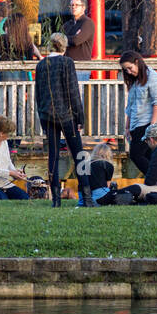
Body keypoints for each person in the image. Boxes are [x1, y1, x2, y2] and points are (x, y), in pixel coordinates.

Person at [33, 32, 95, 207]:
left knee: (52, 156)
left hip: (47, 115)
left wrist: (42, 117)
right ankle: (87, 197)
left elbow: (38, 94)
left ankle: (56, 200)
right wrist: (80, 116)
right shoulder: (67, 63)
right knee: (80, 155)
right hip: (66, 115)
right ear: (64, 46)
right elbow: (73, 92)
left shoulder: (41, 65)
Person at [119, 50, 157, 174]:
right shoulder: (135, 81)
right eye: (125, 70)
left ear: (137, 62)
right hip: (135, 124)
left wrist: (152, 126)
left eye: (130, 68)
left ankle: (155, 180)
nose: (128, 72)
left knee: (136, 155)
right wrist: (127, 126)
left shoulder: (152, 77)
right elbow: (130, 106)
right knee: (150, 156)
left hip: (147, 123)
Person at [0, 11, 39, 81]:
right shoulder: (27, 41)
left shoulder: (3, 38)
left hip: (5, 78)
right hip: (23, 79)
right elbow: (29, 60)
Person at [63, 0, 94, 83]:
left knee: (79, 94)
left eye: (77, 5)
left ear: (83, 8)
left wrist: (67, 39)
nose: (74, 7)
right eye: (72, 5)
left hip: (81, 66)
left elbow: (76, 41)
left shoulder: (88, 23)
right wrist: (71, 38)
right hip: (66, 65)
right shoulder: (67, 24)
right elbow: (59, 41)